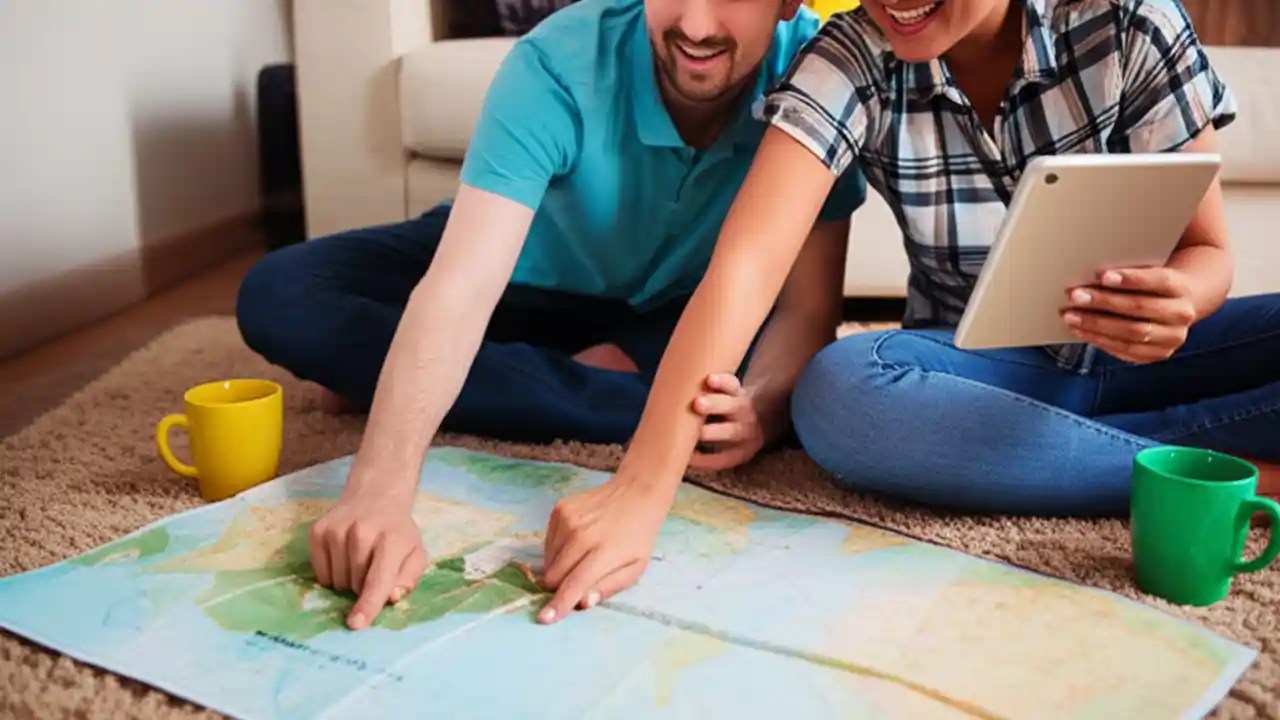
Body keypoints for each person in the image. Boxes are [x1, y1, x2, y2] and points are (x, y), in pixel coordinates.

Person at [528, 0, 1280, 624]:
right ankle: (1238, 475)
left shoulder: (1128, 24)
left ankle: (1116, 461)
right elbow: (748, 264)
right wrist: (639, 486)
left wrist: (1180, 298)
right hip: (978, 381)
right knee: (843, 392)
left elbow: (1207, 251)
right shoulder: (851, 58)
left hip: (1154, 361)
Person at [235, 0, 866, 630]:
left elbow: (805, 310)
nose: (696, 26)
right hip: (516, 277)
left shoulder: (819, 83)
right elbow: (461, 286)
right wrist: (378, 487)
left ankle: (416, 379)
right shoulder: (559, 61)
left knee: (729, 405)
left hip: (676, 309)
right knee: (282, 293)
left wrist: (764, 402)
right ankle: (600, 386)